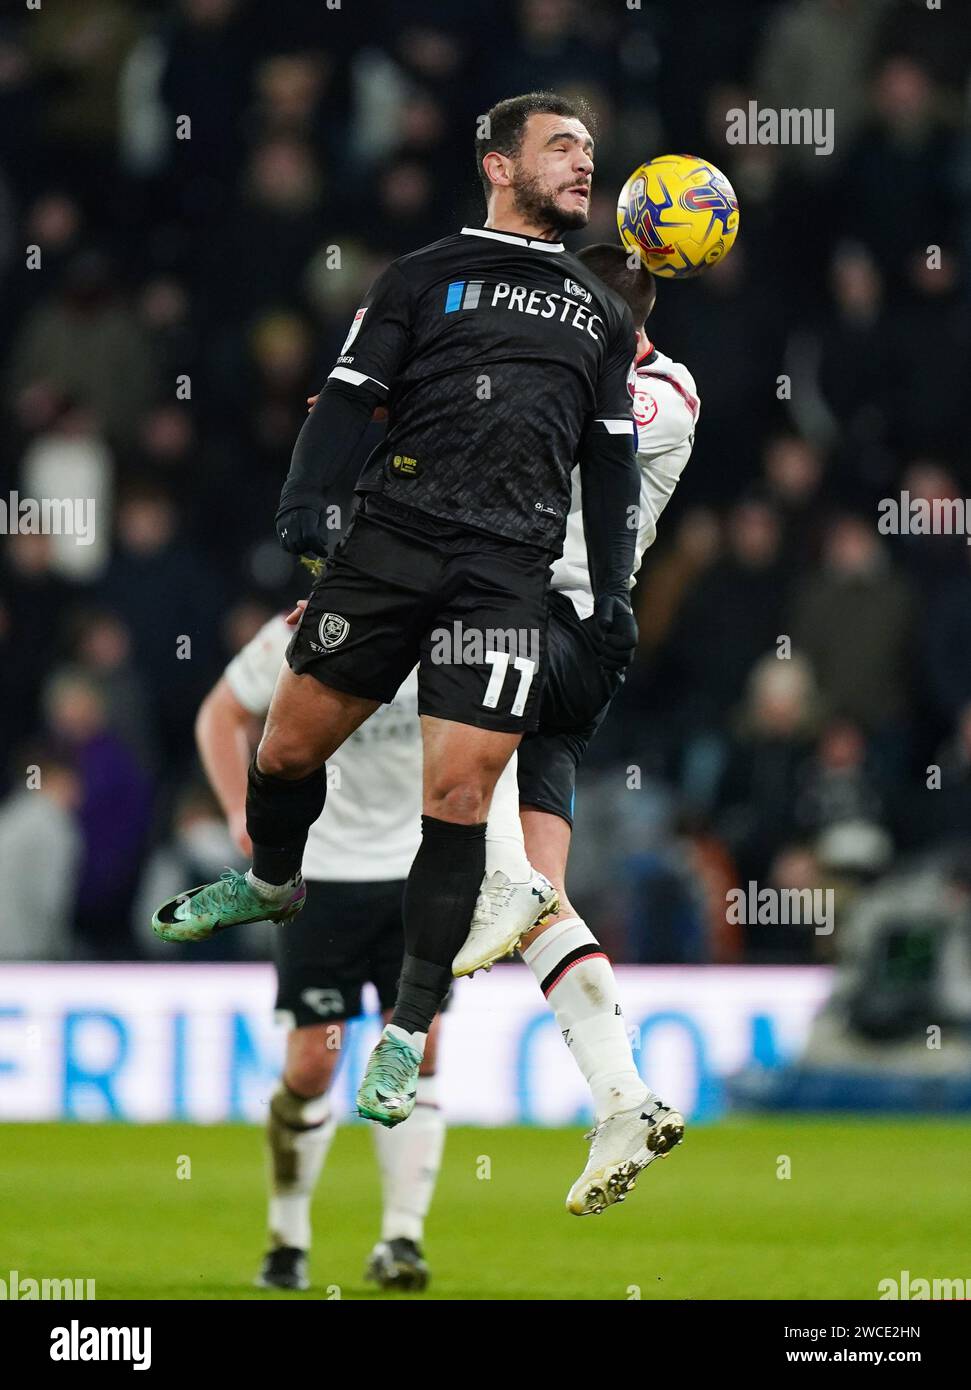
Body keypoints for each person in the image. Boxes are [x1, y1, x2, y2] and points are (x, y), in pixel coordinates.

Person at [152, 92, 640, 1144]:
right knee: (283, 753)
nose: (583, 166)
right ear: (497, 165)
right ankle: (274, 883)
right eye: (561, 148)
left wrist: (612, 593)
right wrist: (304, 500)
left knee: (458, 799)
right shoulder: (419, 277)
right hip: (390, 543)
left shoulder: (600, 312)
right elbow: (345, 398)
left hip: (504, 574)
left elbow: (607, 464)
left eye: (590, 153)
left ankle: (404, 1029)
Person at [456, 243, 699, 1213]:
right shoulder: (581, 374)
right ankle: (622, 1099)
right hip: (565, 652)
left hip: (550, 629)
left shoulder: (659, 395)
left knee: (409, 659)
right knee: (544, 902)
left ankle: (494, 878)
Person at [193, 606, 451, 1291]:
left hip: (418, 869)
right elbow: (219, 715)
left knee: (416, 1051)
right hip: (322, 876)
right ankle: (287, 1239)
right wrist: (235, 813)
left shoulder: (449, 626)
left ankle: (401, 1239)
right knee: (312, 1063)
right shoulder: (298, 631)